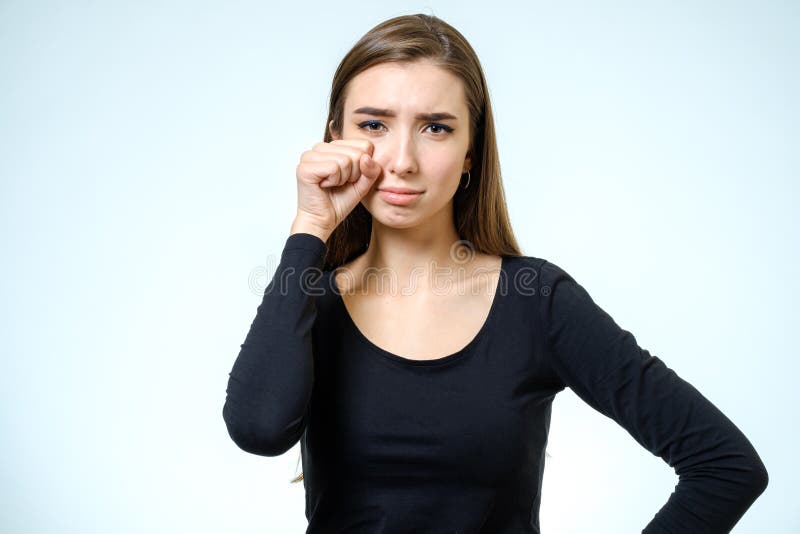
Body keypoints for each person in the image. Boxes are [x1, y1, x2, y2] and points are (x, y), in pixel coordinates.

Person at [222, 13, 768, 533]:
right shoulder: (310, 301)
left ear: (469, 155)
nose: (402, 160)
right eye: (374, 124)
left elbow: (724, 465)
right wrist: (309, 228)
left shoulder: (538, 302)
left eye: (436, 128)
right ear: (335, 138)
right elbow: (259, 430)